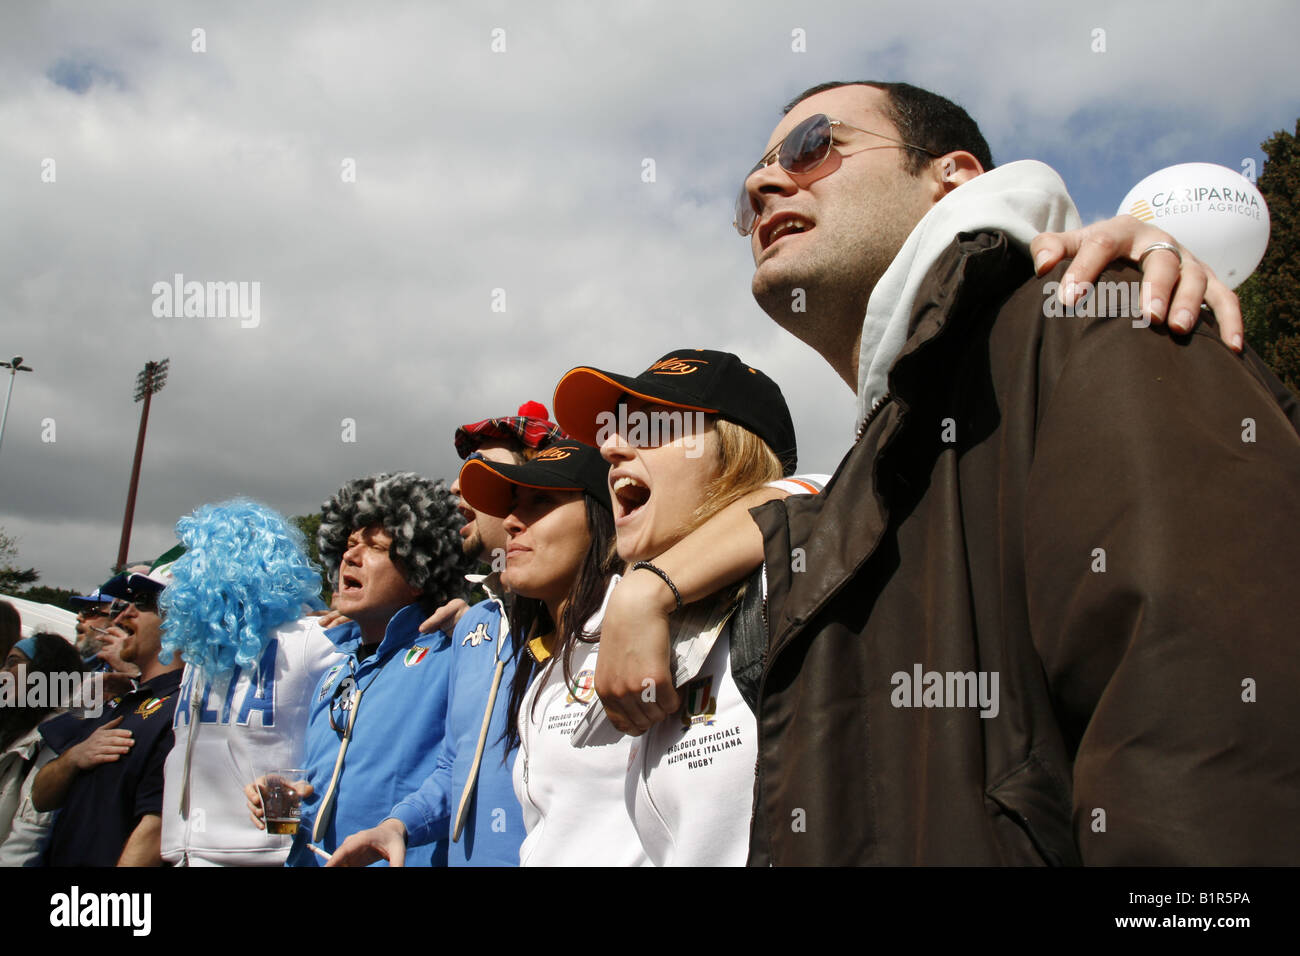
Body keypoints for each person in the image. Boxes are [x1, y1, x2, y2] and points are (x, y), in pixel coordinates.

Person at [693, 80, 1297, 864]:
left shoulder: (1098, 319)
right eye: (751, 190)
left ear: (955, 175)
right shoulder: (880, 473)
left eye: (812, 146)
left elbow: (1214, 769)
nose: (760, 184)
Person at [550, 349, 828, 865]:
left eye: (651, 426)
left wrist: (647, 589)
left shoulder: (798, 569)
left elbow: (815, 492)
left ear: (735, 453)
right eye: (613, 428)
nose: (610, 446)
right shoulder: (662, 616)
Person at [328, 403, 563, 867]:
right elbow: (454, 768)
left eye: (481, 473)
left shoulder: (578, 617)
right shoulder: (474, 626)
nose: (457, 486)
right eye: (461, 473)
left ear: (535, 493)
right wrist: (398, 825)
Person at [245, 473, 472, 866]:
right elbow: (328, 797)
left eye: (375, 547)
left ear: (419, 571)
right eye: (348, 544)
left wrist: (400, 827)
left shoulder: (454, 657)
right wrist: (291, 802)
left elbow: (464, 777)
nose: (350, 557)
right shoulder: (334, 671)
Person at [159, 499, 343, 866]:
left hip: (269, 853)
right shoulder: (200, 657)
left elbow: (383, 662)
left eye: (197, 558)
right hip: (185, 855)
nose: (183, 572)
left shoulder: (307, 638)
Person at [31, 567, 183, 865]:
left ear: (179, 621)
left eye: (141, 602)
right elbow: (40, 796)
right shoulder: (118, 696)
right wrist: (75, 756)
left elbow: (154, 835)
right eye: (120, 606)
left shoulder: (183, 709)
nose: (120, 617)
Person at [0, 633, 85, 864]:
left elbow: (27, 838)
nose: (2, 673)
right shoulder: (13, 731)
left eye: (13, 662)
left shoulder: (52, 743)